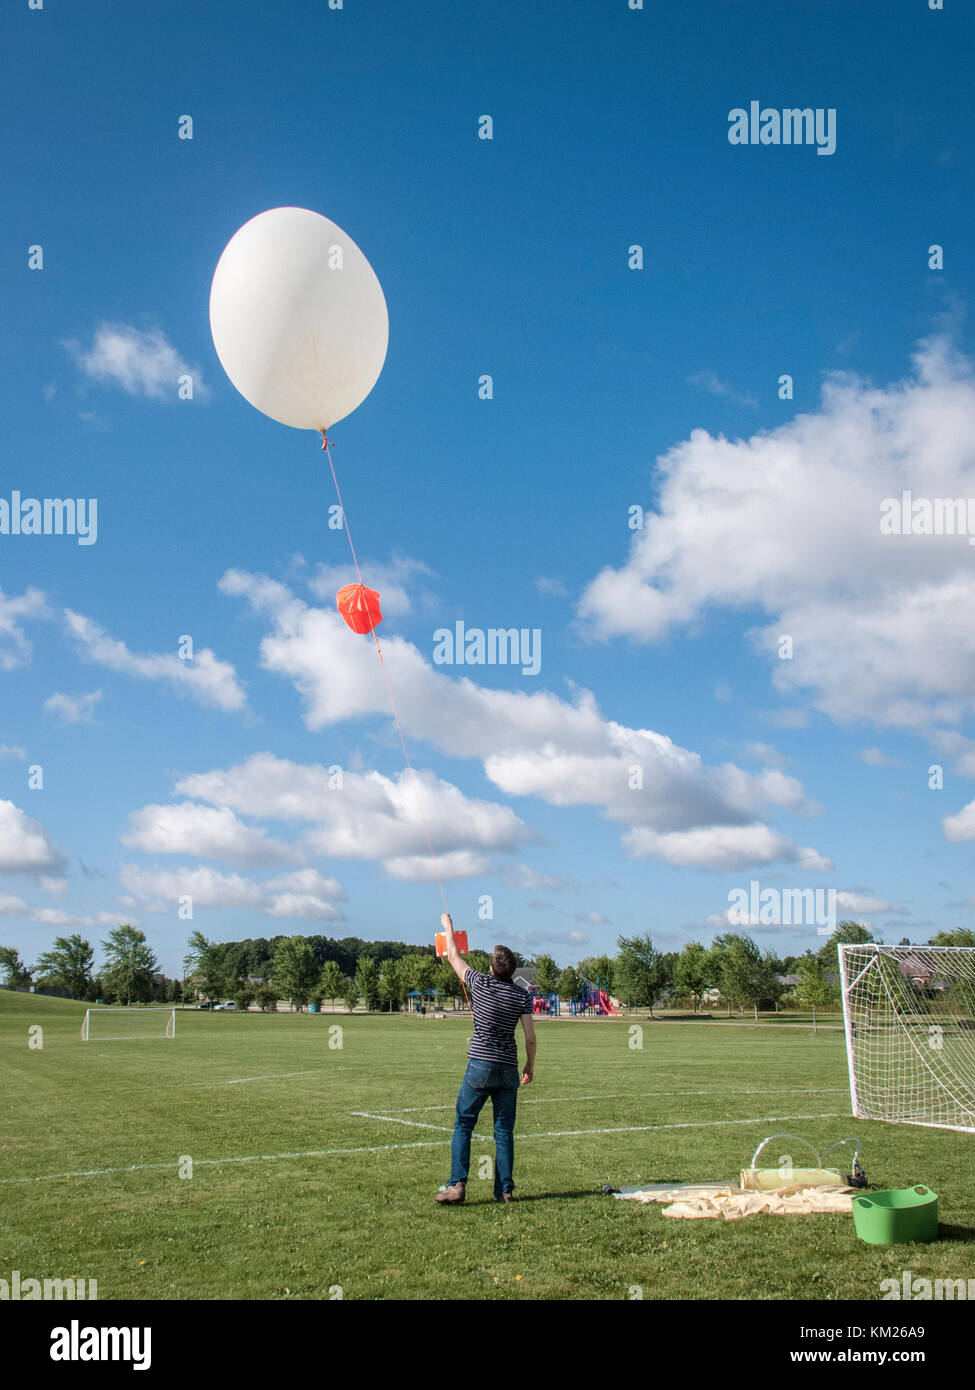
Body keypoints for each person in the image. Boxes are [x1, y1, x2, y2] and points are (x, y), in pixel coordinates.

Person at [435, 912, 536, 1205]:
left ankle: (457, 1185)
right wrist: (529, 1064)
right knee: (503, 1131)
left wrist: (448, 928)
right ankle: (504, 1192)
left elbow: (453, 957)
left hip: (480, 1065)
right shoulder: (521, 996)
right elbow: (530, 1037)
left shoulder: (479, 983)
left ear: (492, 969)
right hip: (508, 1069)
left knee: (464, 1123)